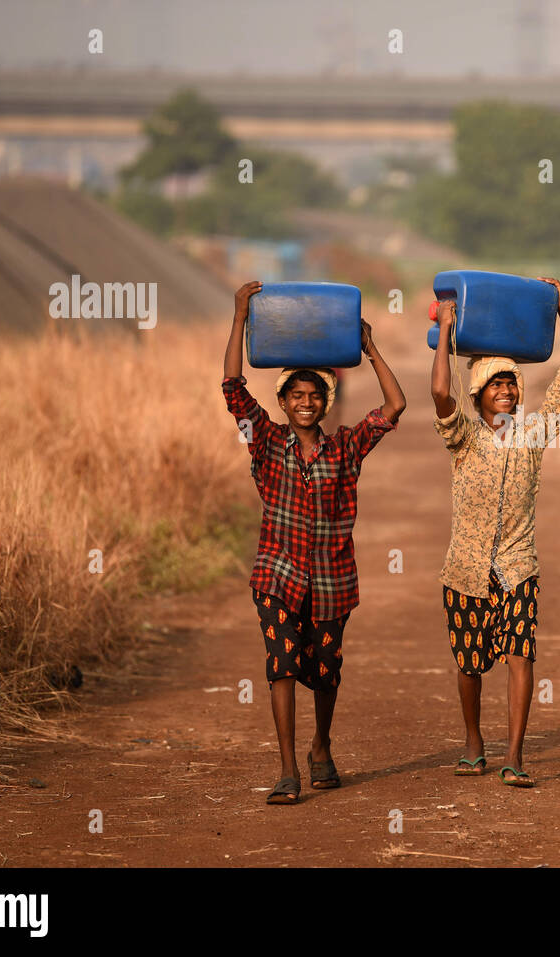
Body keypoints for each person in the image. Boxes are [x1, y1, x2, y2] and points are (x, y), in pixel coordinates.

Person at [222, 280, 406, 805]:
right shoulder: (263, 439)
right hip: (276, 576)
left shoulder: (347, 446)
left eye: (314, 396)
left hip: (331, 582)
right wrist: (240, 316)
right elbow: (232, 385)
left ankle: (320, 746)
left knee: (326, 672)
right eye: (295, 396)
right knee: (281, 665)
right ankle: (286, 769)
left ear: (327, 402)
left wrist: (369, 348)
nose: (305, 404)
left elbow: (396, 404)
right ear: (281, 401)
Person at [430, 276, 560, 788]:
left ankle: (514, 754)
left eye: (512, 384)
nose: (507, 391)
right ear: (478, 394)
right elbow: (437, 392)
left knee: (521, 654)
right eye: (496, 384)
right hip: (466, 570)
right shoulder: (465, 439)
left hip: (519, 566)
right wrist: (447, 333)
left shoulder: (532, 435)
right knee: (470, 663)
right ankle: (474, 740)